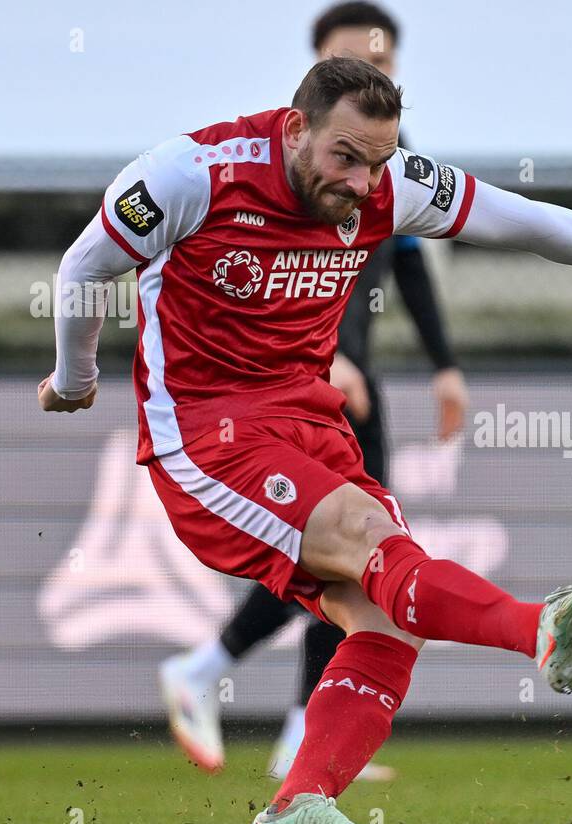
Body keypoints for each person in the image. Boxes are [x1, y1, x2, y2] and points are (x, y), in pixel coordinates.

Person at [38, 56, 572, 824]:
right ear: (296, 128)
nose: (365, 183)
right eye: (347, 158)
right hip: (205, 435)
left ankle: (295, 805)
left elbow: (521, 220)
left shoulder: (387, 181)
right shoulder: (191, 174)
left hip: (311, 420)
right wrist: (74, 378)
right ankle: (538, 629)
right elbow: (85, 265)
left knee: (386, 619)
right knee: (374, 544)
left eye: (378, 162)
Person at [156, 1, 467, 783]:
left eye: (385, 59)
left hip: (353, 381)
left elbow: (415, 268)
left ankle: (239, 688)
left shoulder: (391, 164)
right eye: (354, 55)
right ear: (316, 74)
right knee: (352, 556)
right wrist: (324, 361)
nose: (373, 68)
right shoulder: (290, 168)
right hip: (312, 379)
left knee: (356, 556)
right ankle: (278, 716)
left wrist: (444, 363)